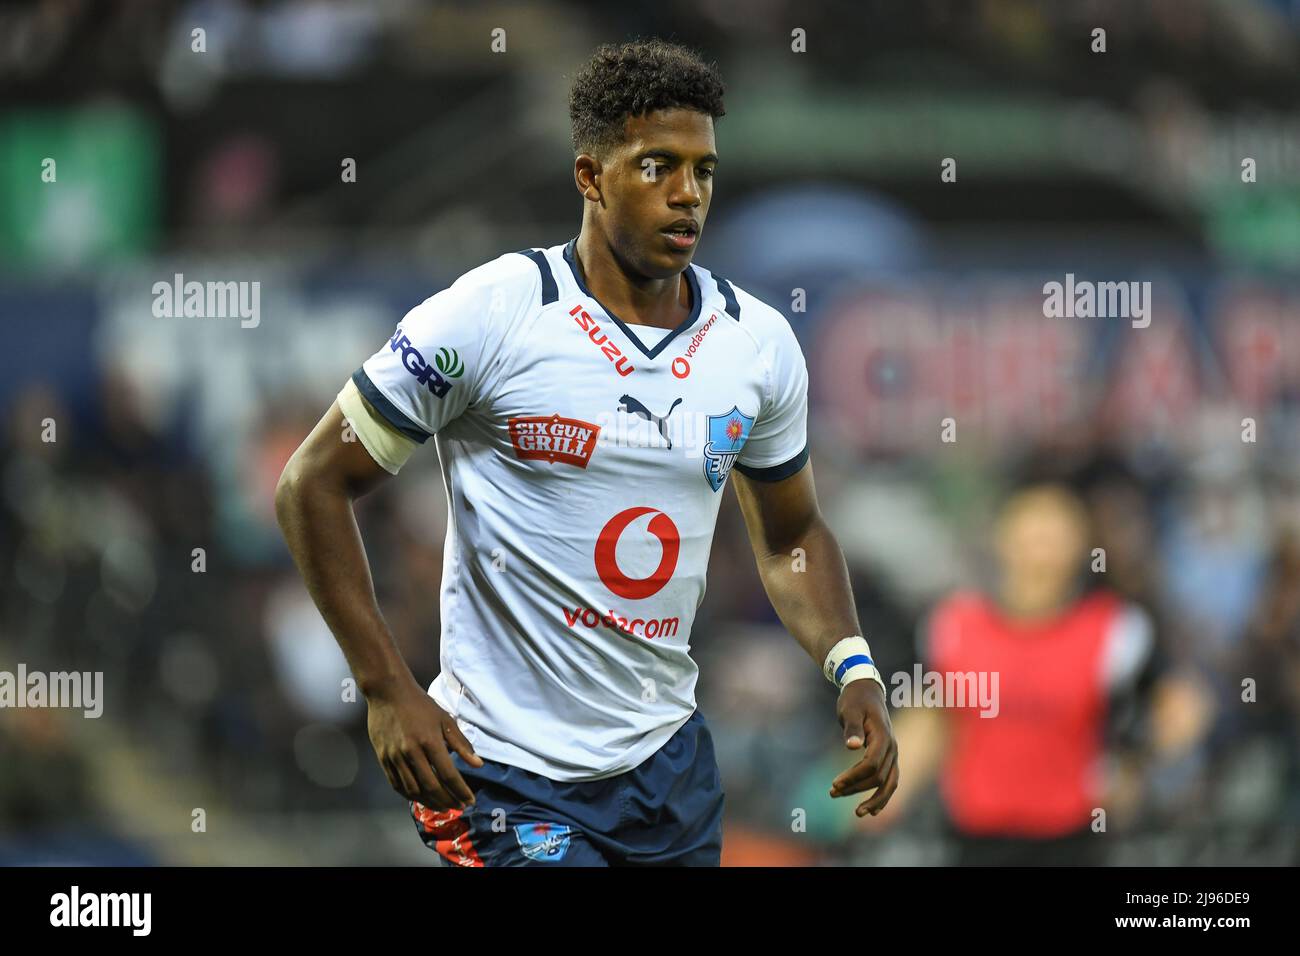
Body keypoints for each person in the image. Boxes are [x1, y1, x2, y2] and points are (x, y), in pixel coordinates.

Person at [275, 38, 896, 867]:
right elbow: (312, 483)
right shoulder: (492, 315)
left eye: (703, 172)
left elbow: (791, 536)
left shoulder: (759, 346)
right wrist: (386, 688)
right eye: (656, 166)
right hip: (504, 770)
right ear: (589, 176)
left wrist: (853, 666)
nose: (687, 196)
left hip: (667, 768)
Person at [862, 481, 1175, 865]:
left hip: (1072, 839)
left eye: (1056, 528)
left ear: (1080, 542)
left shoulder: (1115, 630)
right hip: (977, 838)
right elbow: (930, 720)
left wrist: (1132, 761)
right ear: (1001, 537)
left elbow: (1178, 706)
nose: (1041, 541)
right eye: (1030, 524)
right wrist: (886, 789)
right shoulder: (953, 626)